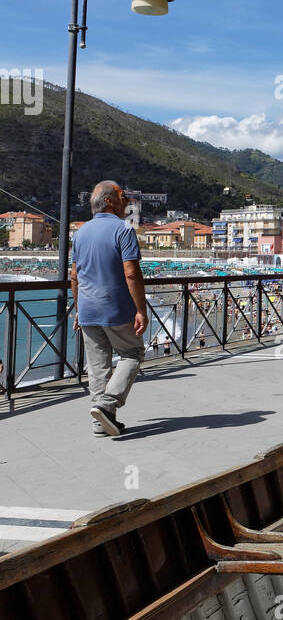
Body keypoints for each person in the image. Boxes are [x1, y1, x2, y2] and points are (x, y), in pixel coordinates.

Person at [70, 181, 147, 438]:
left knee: (98, 366)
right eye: (123, 197)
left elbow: (74, 276)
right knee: (133, 353)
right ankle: (107, 403)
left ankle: (100, 422)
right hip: (115, 308)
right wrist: (141, 309)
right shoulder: (123, 230)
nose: (127, 201)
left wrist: (79, 309)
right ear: (110, 201)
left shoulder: (80, 233)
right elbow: (132, 273)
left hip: (88, 309)